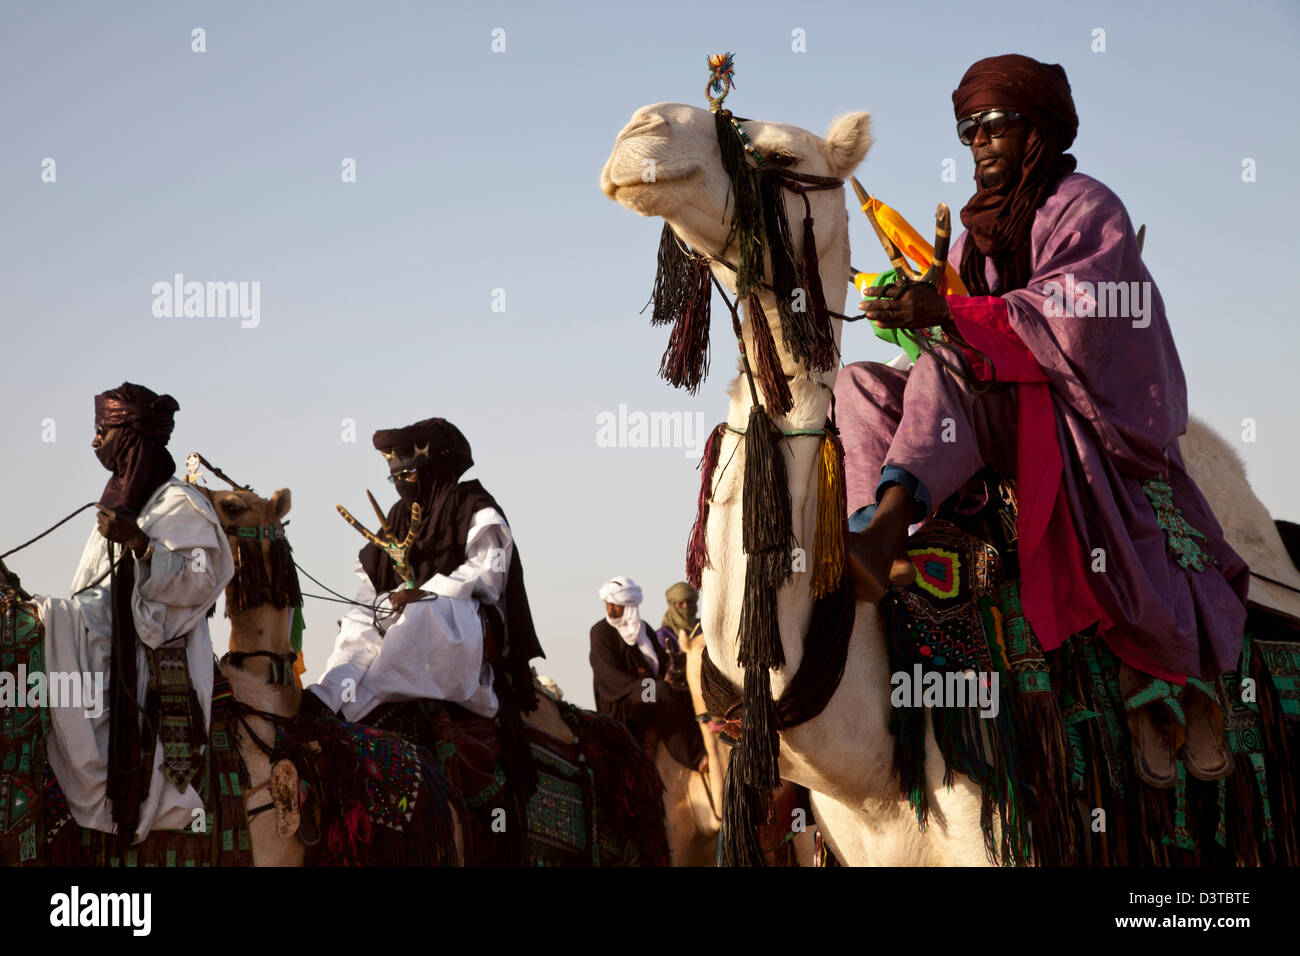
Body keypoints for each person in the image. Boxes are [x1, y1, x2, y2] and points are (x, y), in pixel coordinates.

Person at [835, 54, 1247, 788]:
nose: (978, 143)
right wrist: (910, 316)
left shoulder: (1088, 209)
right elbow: (952, 330)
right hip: (983, 409)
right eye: (967, 131)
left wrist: (953, 317)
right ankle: (874, 525)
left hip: (1071, 417)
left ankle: (887, 528)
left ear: (1038, 130)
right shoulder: (969, 237)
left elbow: (1078, 323)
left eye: (993, 125)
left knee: (945, 369)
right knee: (859, 383)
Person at [37, 383, 234, 844]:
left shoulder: (179, 505)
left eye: (101, 432)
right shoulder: (121, 503)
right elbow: (93, 597)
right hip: (102, 634)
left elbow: (202, 579)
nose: (93, 443)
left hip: (153, 648)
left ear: (126, 437)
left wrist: (142, 544)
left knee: (49, 622)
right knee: (32, 619)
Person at [310, 417, 544, 723]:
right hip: (401, 605)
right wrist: (379, 604)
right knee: (359, 618)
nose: (400, 483)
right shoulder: (397, 516)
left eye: (407, 474)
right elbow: (372, 582)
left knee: (422, 615)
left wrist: (427, 592)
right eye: (394, 476)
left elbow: (489, 574)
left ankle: (365, 700)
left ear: (432, 468)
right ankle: (327, 696)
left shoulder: (473, 505)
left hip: (461, 614)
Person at [589, 576, 703, 770]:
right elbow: (611, 676)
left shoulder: (644, 630)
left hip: (644, 692)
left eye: (615, 605)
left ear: (628, 605)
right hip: (622, 701)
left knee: (682, 692)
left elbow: (663, 662)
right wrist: (645, 679)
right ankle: (695, 758)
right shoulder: (601, 631)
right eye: (608, 604)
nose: (610, 610)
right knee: (660, 690)